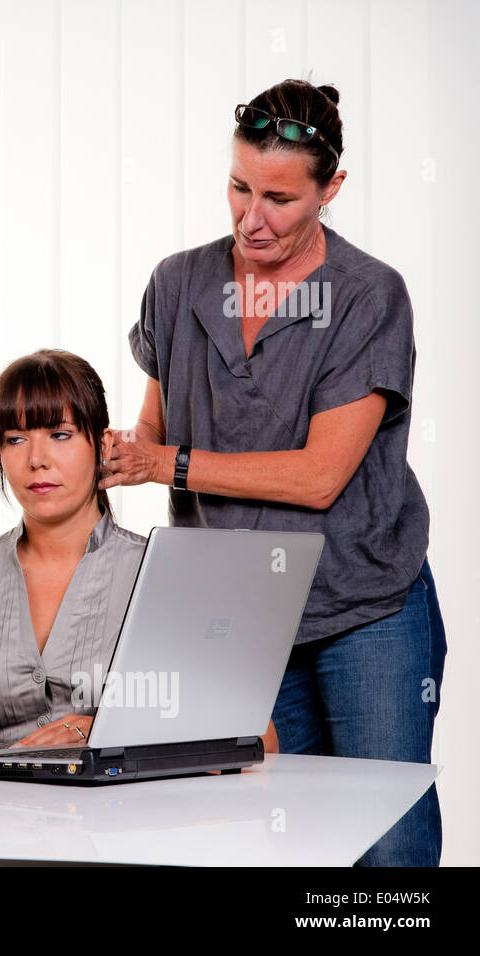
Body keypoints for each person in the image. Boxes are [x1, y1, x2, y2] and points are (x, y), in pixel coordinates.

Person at [104, 78, 445, 866]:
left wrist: (168, 464)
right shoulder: (179, 284)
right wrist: (115, 455)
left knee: (385, 847)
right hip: (242, 615)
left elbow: (320, 478)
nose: (250, 218)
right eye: (238, 186)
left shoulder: (368, 296)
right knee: (270, 839)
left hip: (365, 605)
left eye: (280, 198)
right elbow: (153, 431)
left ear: (332, 189)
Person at [0, 350, 232, 752]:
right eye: (15, 439)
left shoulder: (160, 573)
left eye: (60, 435)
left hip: (122, 812)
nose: (36, 460)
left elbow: (254, 736)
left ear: (103, 446)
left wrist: (96, 728)